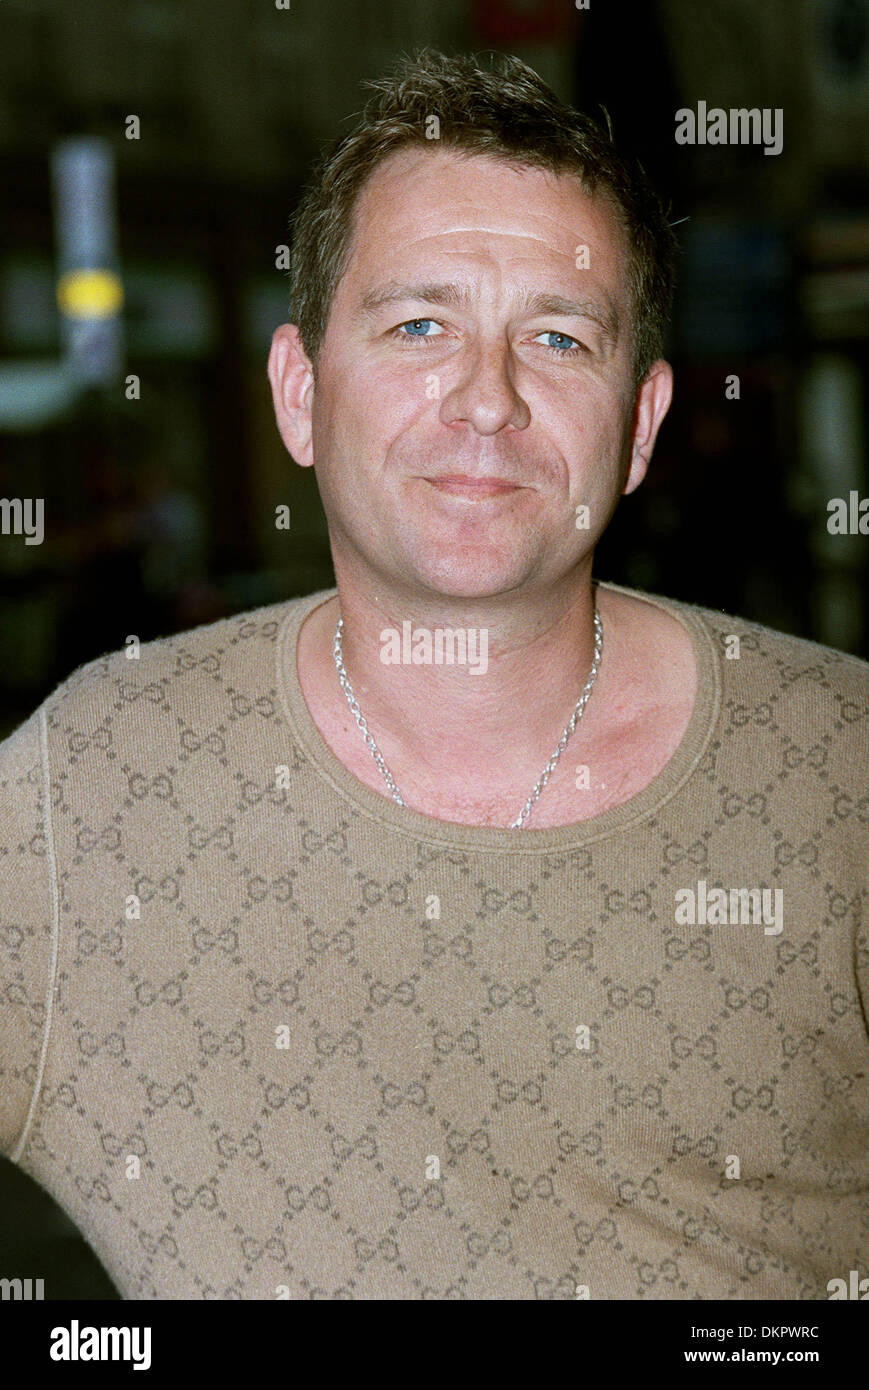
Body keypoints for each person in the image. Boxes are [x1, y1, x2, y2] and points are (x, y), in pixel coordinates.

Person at [1, 49, 867, 1302]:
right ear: (299, 395)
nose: (485, 399)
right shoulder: (98, 778)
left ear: (638, 426)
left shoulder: (836, 771)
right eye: (419, 325)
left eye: (558, 338)